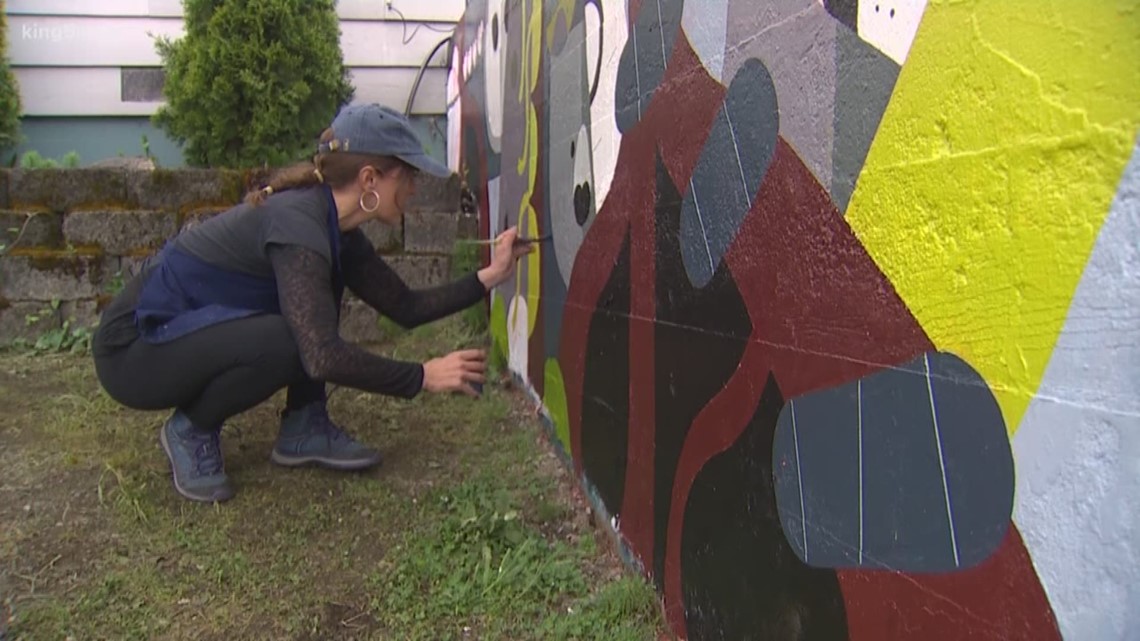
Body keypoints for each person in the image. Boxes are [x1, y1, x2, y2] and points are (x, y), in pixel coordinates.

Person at [91, 104, 532, 504]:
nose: (415, 187)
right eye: (408, 173)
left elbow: (404, 306)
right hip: (134, 353)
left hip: (184, 337)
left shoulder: (332, 227)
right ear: (369, 179)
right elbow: (320, 356)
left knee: (307, 315)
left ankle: (303, 424)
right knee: (291, 340)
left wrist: (492, 274)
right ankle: (191, 428)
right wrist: (422, 376)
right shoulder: (298, 224)